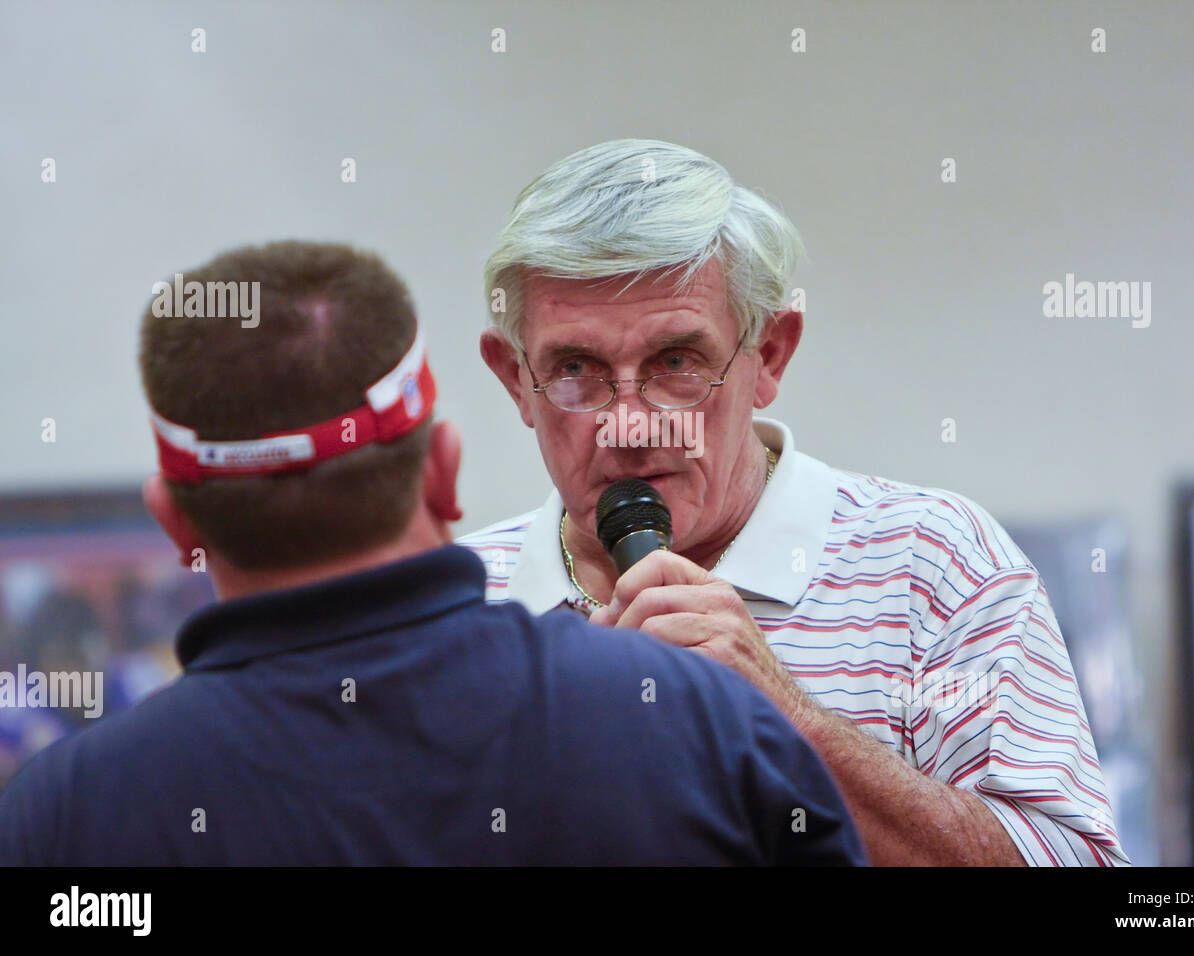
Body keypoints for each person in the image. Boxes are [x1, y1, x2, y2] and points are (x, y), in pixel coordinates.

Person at [0, 240, 865, 866]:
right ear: (444, 473)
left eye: (677, 361)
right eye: (577, 370)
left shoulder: (60, 819)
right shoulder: (698, 722)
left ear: (176, 524)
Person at [460, 139, 1131, 866]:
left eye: (677, 363)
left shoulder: (935, 564)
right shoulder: (454, 606)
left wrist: (787, 722)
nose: (629, 424)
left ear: (770, 355)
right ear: (512, 378)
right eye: (575, 369)